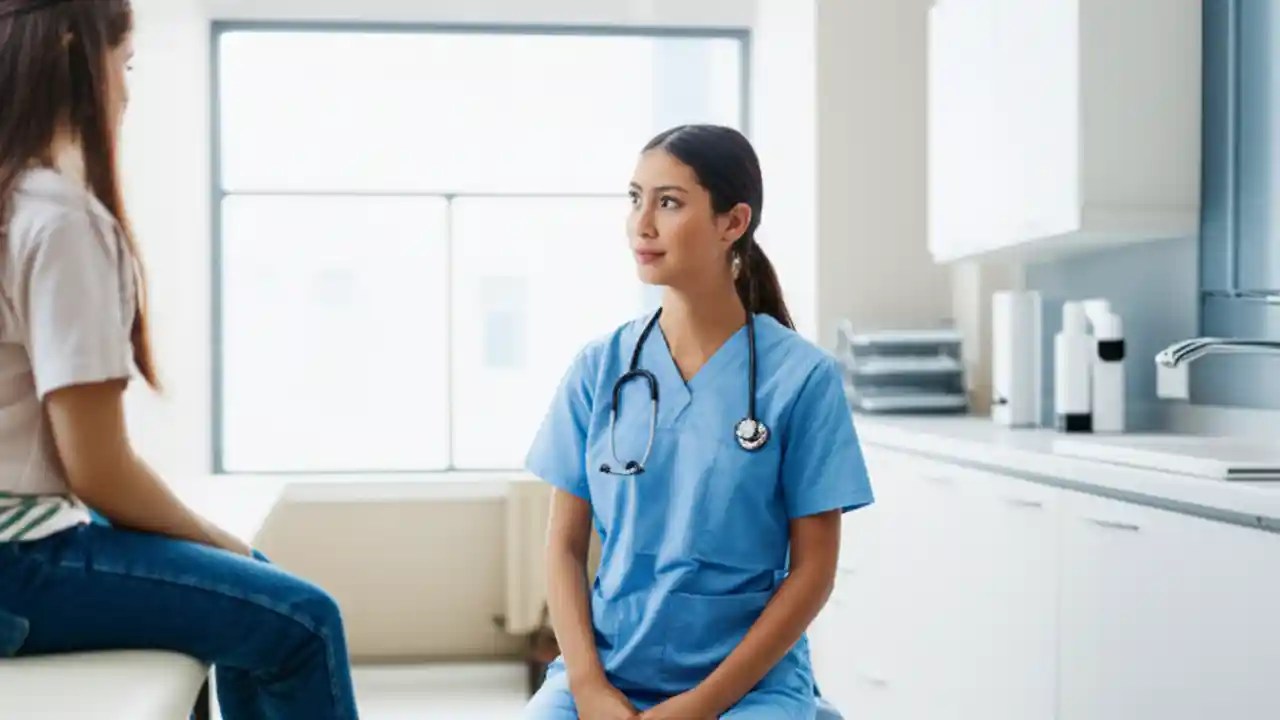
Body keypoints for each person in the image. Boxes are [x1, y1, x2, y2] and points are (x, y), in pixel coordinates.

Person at [0, 2, 359, 717]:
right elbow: (98, 470)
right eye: (125, 63)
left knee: (243, 596)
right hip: (19, 569)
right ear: (76, 51)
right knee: (304, 620)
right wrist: (226, 543)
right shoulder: (60, 219)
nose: (127, 91)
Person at [522, 124, 874, 719]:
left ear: (732, 223)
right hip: (609, 665)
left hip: (745, 682)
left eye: (669, 202)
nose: (643, 223)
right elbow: (563, 545)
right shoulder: (599, 368)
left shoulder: (801, 379)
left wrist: (700, 705)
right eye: (635, 198)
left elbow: (813, 572)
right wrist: (587, 686)